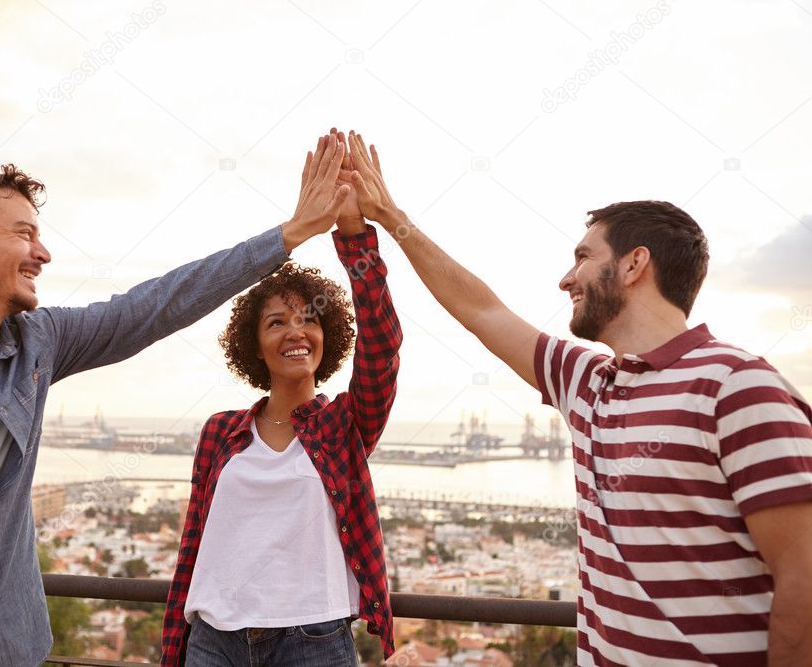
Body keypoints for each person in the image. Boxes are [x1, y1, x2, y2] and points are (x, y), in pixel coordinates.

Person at [0, 132, 352, 666]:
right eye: (23, 234)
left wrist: (291, 233)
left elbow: (157, 304)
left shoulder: (40, 345)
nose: (44, 252)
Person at [341, 131, 812, 666]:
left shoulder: (737, 386)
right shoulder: (586, 382)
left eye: (583, 257)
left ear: (634, 265)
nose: (566, 278)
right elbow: (482, 310)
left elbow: (805, 581)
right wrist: (390, 217)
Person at [160, 142, 402, 666]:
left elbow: (382, 346)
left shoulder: (343, 425)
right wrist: (174, 646)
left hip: (312, 642)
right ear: (255, 344)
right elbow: (193, 544)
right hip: (213, 640)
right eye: (276, 322)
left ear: (328, 335)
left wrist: (355, 236)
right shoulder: (220, 432)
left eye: (308, 319)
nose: (296, 331)